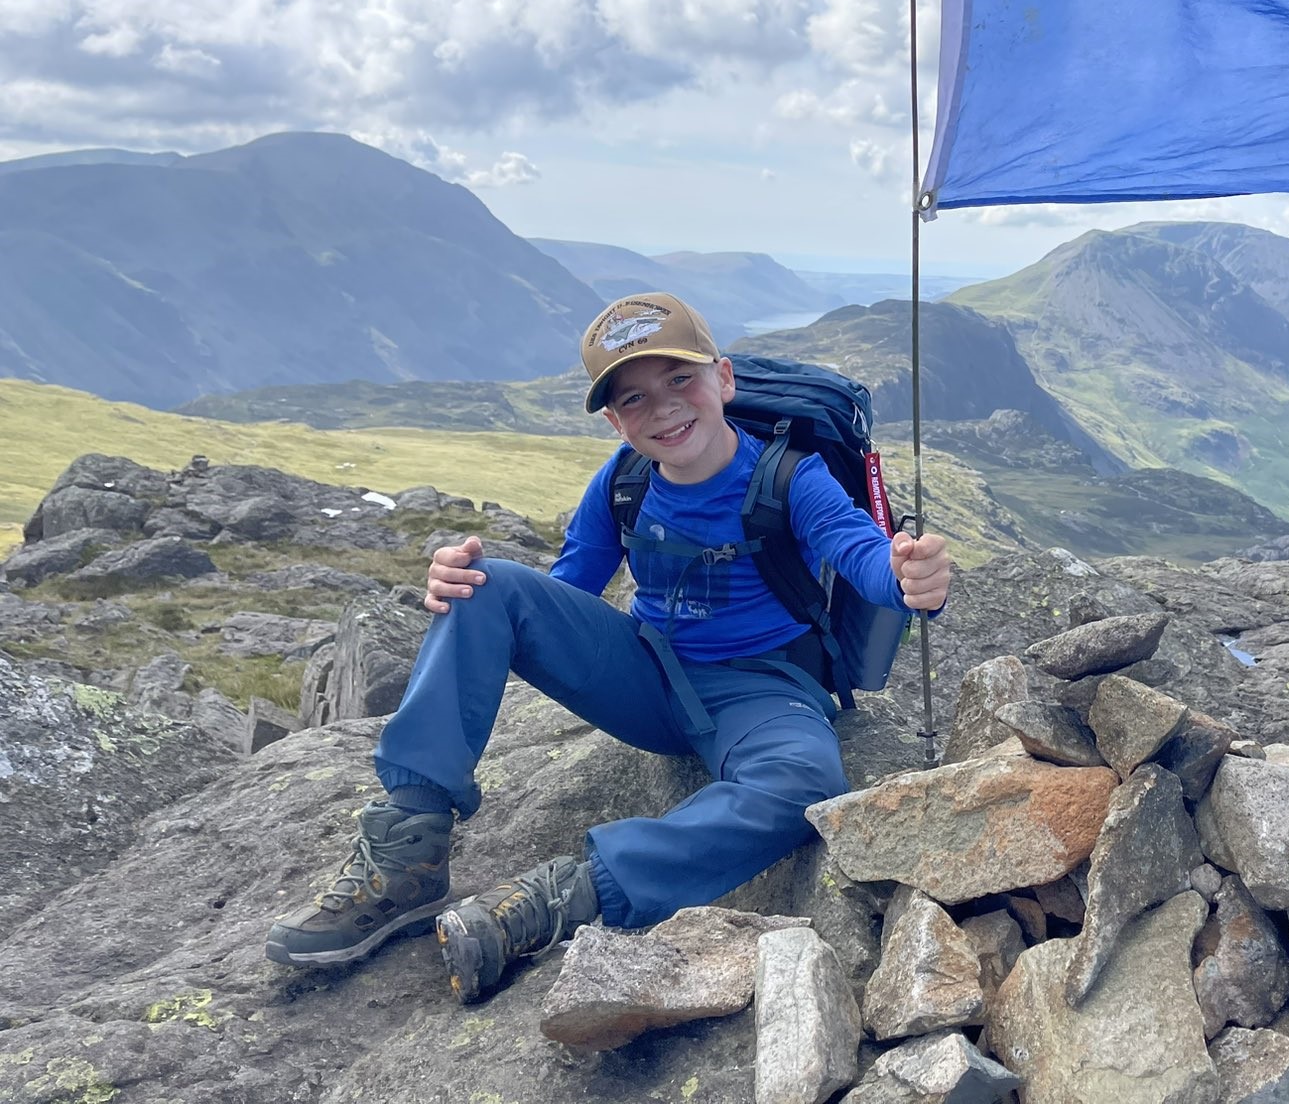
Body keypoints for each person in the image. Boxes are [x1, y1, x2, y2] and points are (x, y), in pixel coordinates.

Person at [263, 292, 952, 1000]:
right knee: (486, 583)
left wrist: (907, 576)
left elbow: (859, 550)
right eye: (634, 398)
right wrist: (470, 595)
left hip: (764, 690)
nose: (662, 409)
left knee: (806, 785)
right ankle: (407, 852)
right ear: (616, 420)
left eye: (680, 380)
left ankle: (565, 896)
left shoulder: (789, 477)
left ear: (724, 379)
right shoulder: (622, 482)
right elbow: (566, 593)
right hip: (646, 674)